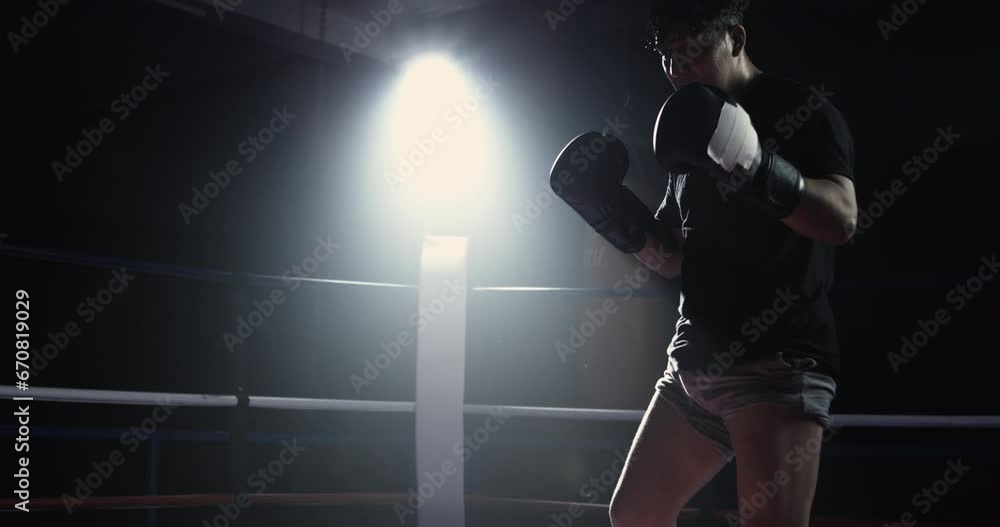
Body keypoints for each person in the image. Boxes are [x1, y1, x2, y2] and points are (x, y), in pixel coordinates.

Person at [549, 1, 857, 525]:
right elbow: (673, 258)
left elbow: (841, 219)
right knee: (634, 515)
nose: (679, 69)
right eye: (669, 58)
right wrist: (613, 214)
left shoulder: (799, 109)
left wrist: (755, 167)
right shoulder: (687, 127)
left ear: (735, 39)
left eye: (693, 52)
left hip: (775, 363)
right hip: (694, 365)